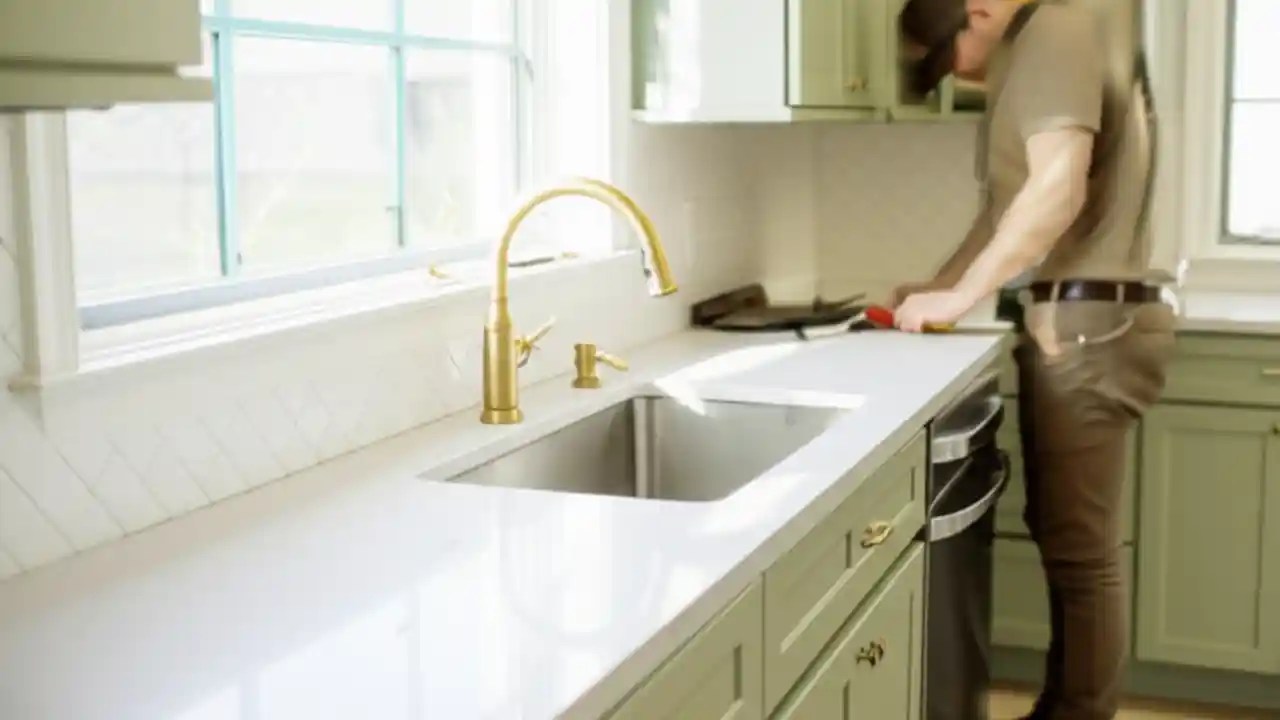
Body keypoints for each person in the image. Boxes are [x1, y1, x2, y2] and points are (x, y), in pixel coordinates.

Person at [893, 1, 1175, 718]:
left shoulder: (1056, 31)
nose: (952, 74)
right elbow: (1004, 215)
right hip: (1087, 321)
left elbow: (1058, 189)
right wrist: (936, 290)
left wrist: (959, 298)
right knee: (1071, 545)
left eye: (941, 55)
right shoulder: (1037, 55)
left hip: (1087, 326)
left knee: (1082, 556)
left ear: (976, 11)